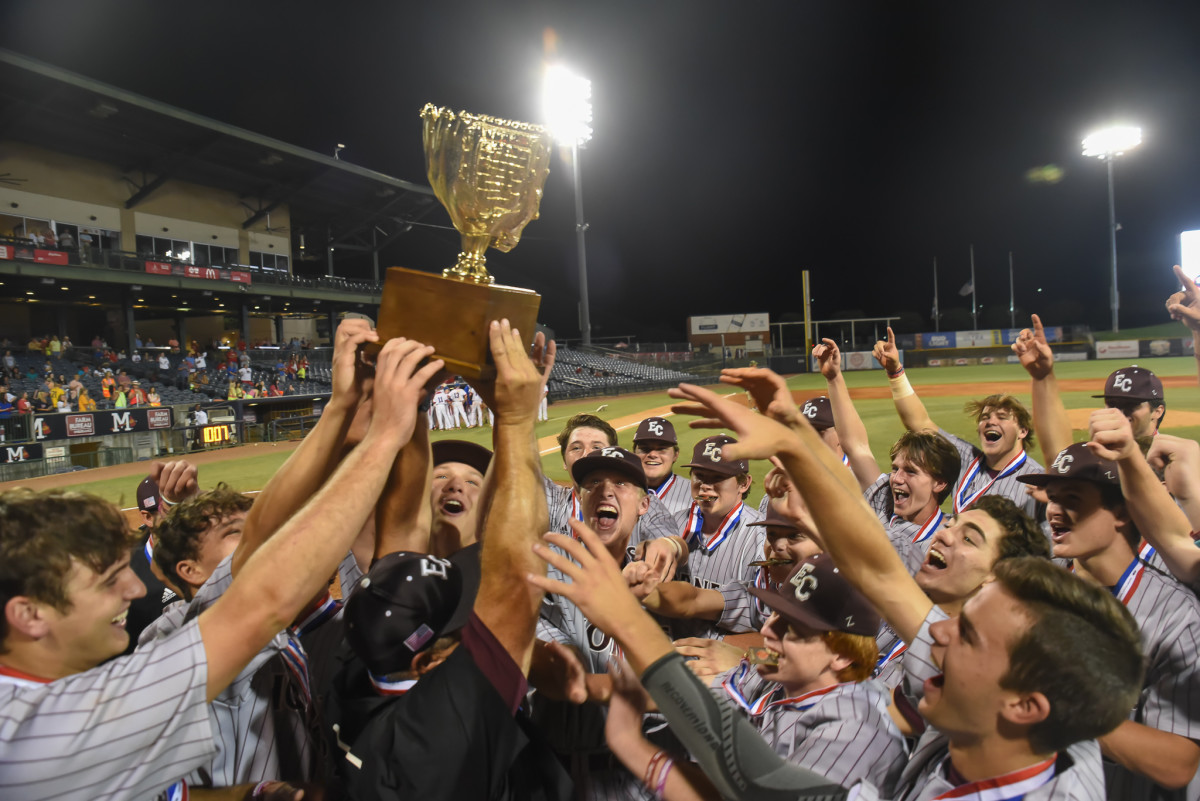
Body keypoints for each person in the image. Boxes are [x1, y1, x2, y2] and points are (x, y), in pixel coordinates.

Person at [528, 379, 1146, 801]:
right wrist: (793, 441)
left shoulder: (862, 725)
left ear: (1026, 706)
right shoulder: (1004, 730)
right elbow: (879, 573)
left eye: (968, 636)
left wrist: (627, 627)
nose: (935, 636)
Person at [0, 335, 441, 801]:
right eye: (107, 581)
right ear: (29, 614)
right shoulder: (36, 740)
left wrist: (255, 794)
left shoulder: (47, 707)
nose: (134, 588)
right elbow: (262, 591)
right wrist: (382, 433)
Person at [331, 320, 573, 800]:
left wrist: (418, 403)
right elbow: (515, 571)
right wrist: (517, 419)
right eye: (440, 477)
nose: (455, 485)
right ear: (430, 661)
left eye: (471, 480)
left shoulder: (368, 647)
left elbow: (402, 528)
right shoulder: (455, 709)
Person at [874, 326, 1043, 519]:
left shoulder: (1036, 479)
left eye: (1002, 417)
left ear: (1023, 431)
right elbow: (919, 423)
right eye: (985, 418)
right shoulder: (965, 458)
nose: (990, 422)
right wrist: (895, 371)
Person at [631, 415, 693, 516]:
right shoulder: (619, 491)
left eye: (661, 449)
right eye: (645, 449)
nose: (652, 454)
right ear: (634, 454)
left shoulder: (695, 493)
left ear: (675, 455)